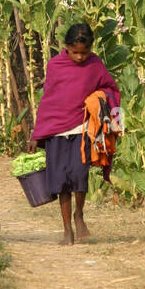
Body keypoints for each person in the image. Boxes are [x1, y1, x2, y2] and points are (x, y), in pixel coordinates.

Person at [27, 22, 120, 245]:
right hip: (56, 131)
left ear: (91, 49)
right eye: (75, 52)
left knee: (79, 175)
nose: (79, 57)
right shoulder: (56, 65)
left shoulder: (95, 65)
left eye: (84, 52)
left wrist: (106, 111)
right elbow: (48, 100)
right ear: (66, 47)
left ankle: (79, 214)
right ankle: (67, 228)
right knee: (61, 182)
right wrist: (37, 134)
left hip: (82, 128)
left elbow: (112, 90)